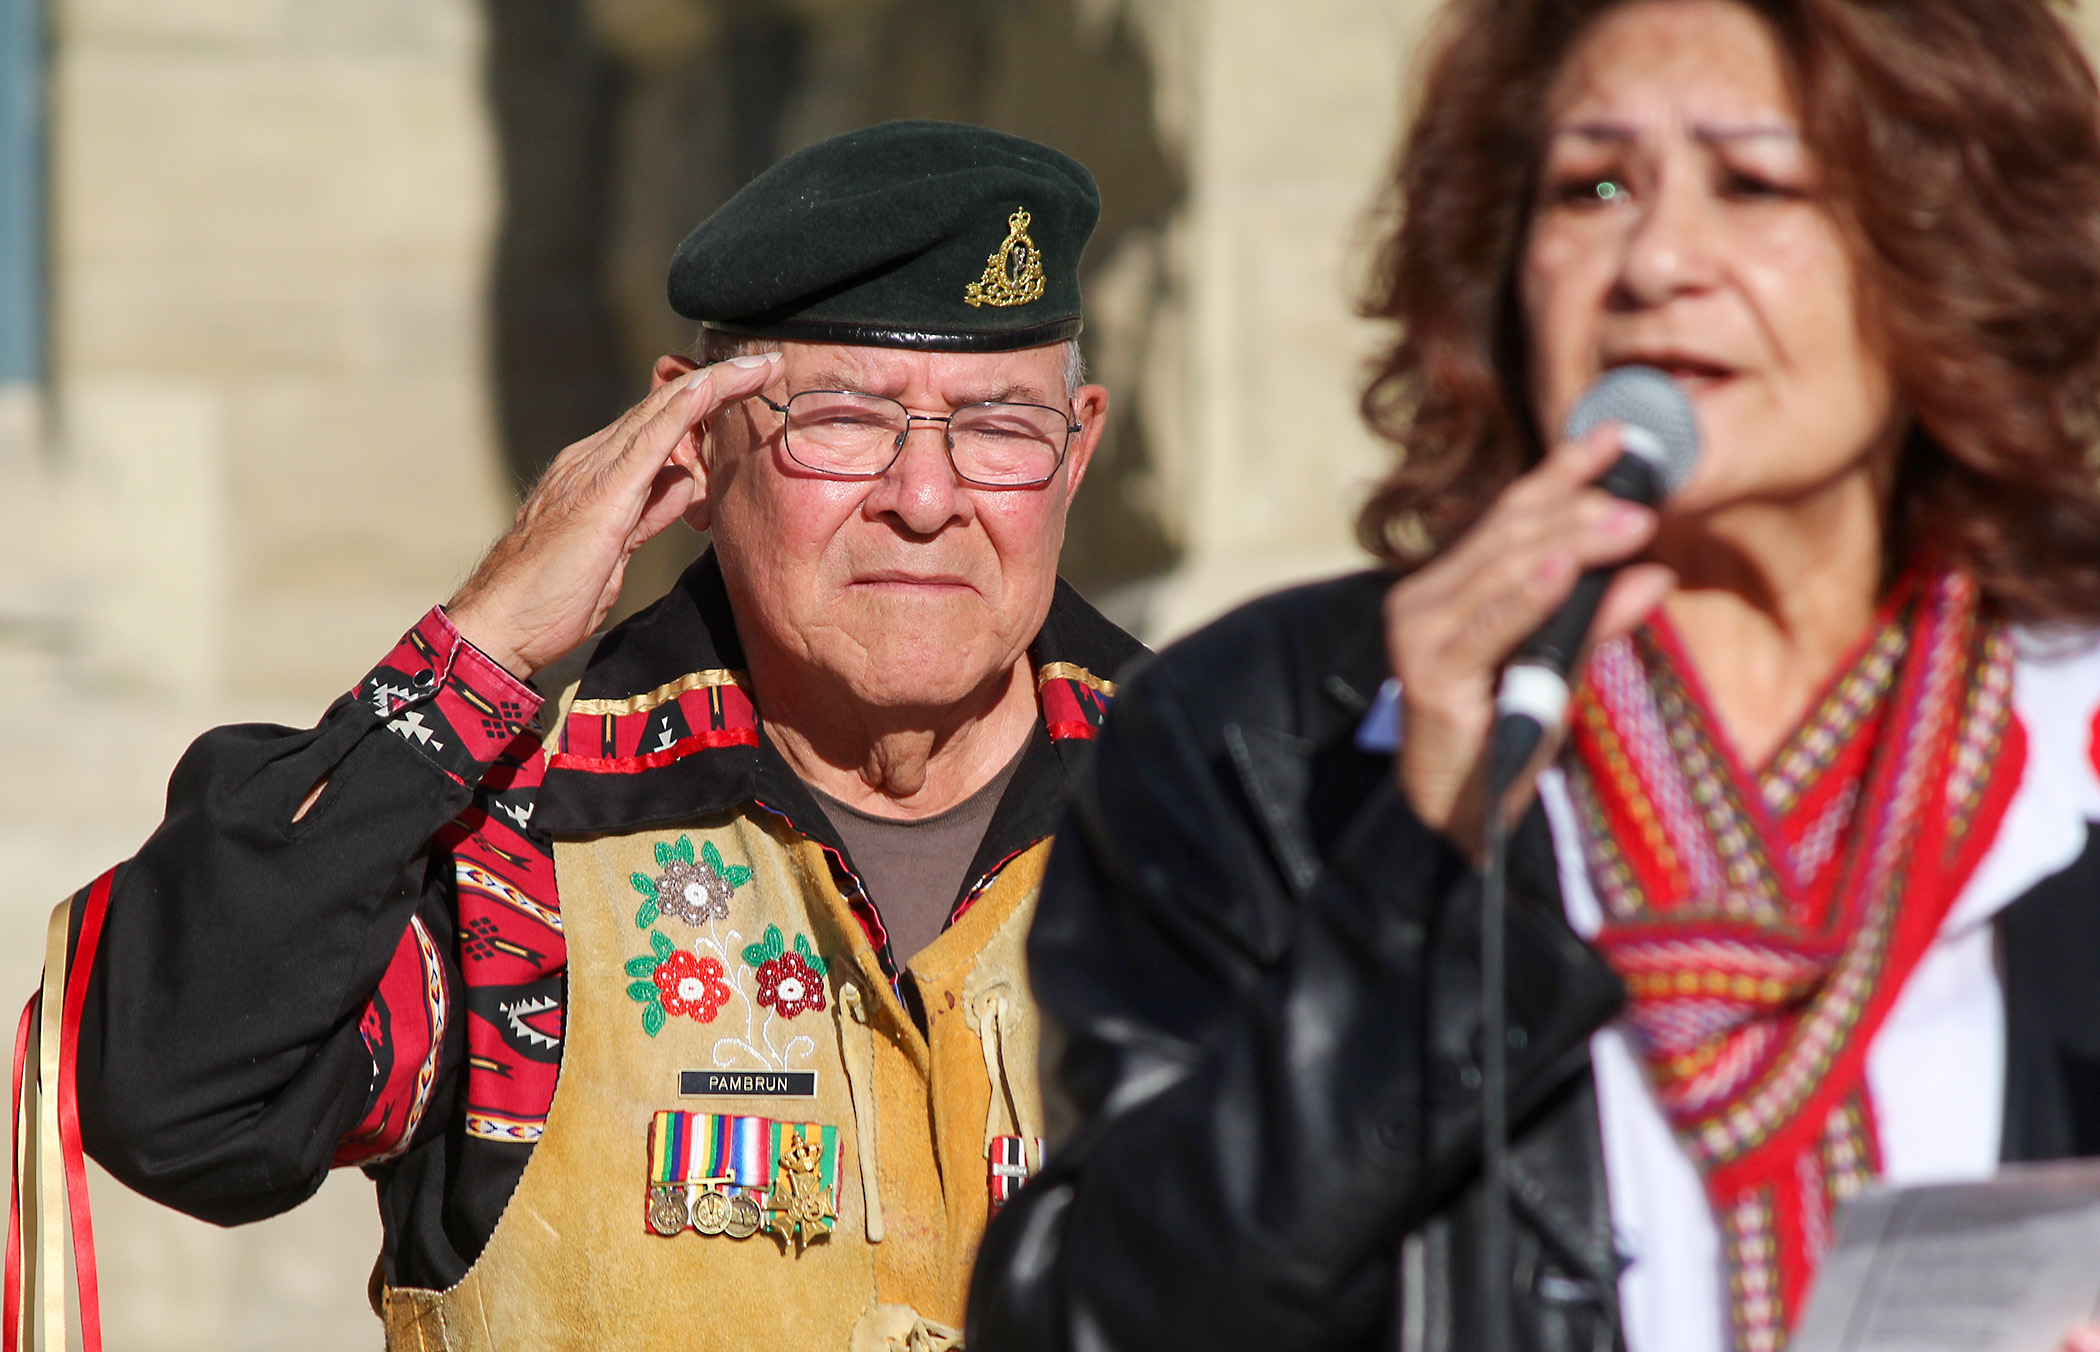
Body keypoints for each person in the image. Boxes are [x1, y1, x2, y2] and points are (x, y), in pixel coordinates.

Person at [966, 3, 2100, 1350]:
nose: (1659, 259)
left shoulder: (2065, 725)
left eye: (1756, 183)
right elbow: (1098, 1321)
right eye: (1592, 188)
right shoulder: (1269, 737)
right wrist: (1419, 873)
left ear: (1947, 249)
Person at [64, 120, 1142, 1352]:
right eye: (843, 418)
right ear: (692, 432)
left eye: (998, 425)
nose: (927, 496)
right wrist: (482, 643)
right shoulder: (512, 849)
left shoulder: (1248, 823)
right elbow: (171, 1089)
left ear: (1079, 447)